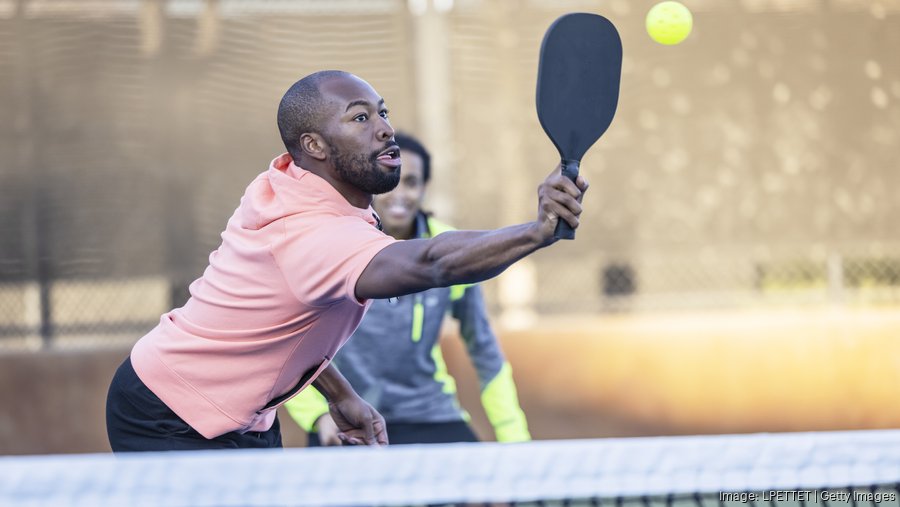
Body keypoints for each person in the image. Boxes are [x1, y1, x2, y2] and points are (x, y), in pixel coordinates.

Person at [105, 70, 587, 452]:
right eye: (359, 119)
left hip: (243, 412)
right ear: (313, 146)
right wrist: (536, 231)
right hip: (168, 411)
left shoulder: (290, 182)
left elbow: (288, 323)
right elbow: (433, 263)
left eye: (382, 112)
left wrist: (339, 394)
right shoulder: (313, 234)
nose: (384, 128)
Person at [285, 133, 531, 446]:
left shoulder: (451, 251)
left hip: (429, 414)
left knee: (483, 496)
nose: (400, 194)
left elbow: (485, 351)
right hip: (347, 414)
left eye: (411, 182)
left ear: (424, 189)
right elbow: (291, 340)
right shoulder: (336, 245)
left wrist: (514, 438)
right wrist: (317, 416)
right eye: (390, 181)